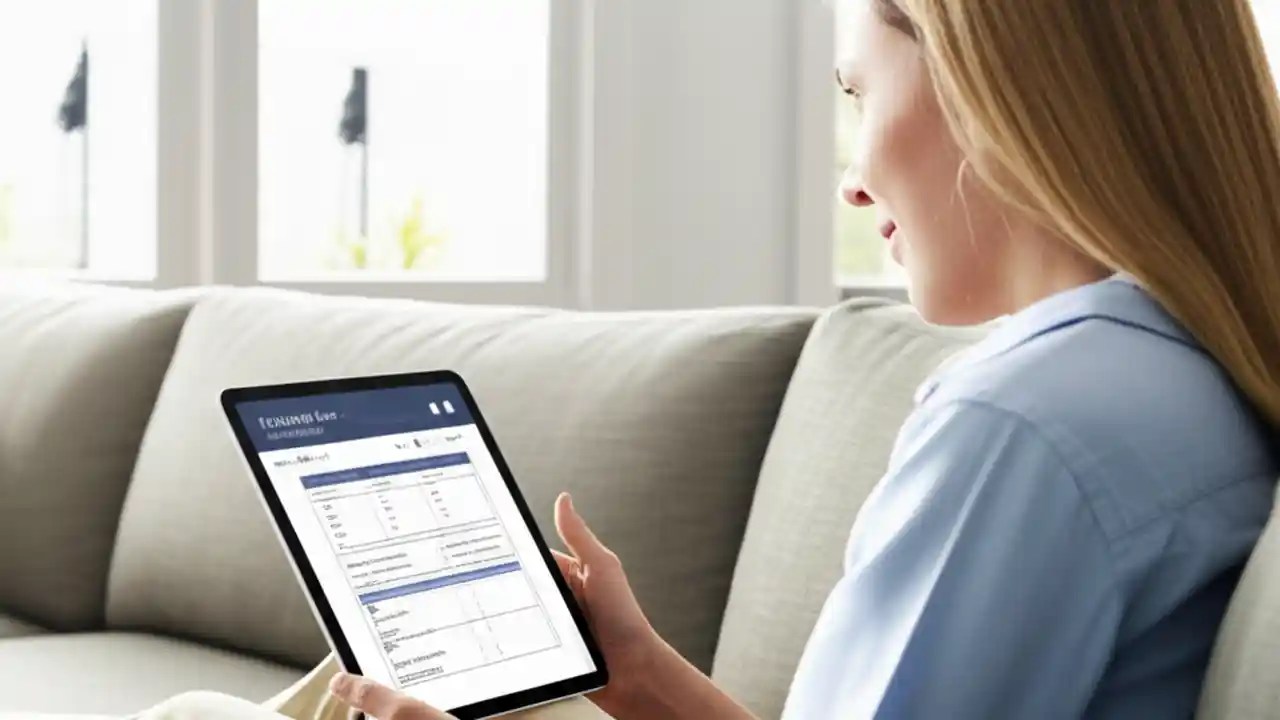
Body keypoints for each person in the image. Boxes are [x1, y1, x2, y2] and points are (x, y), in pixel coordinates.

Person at [123, 0, 1280, 717]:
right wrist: (637, 674)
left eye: (855, 93)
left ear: (994, 88)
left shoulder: (1023, 424)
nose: (851, 179)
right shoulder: (1184, 370)